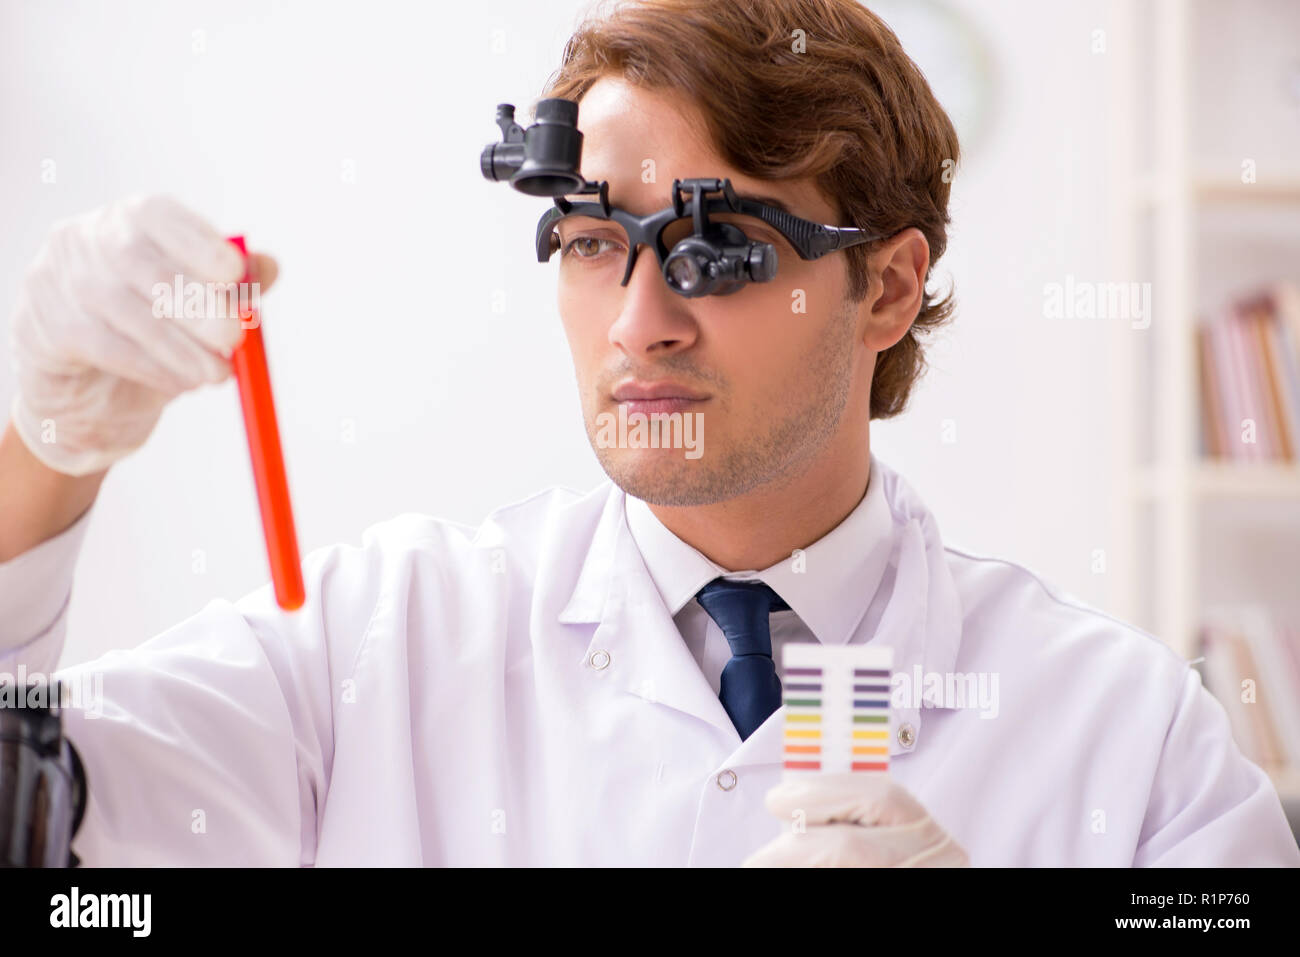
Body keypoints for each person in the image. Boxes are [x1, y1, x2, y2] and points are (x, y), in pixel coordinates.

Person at [2, 0, 1296, 867]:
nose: (640, 323)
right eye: (591, 242)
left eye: (720, 250)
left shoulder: (1135, 737)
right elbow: (36, 838)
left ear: (887, 288)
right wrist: (43, 449)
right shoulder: (373, 647)